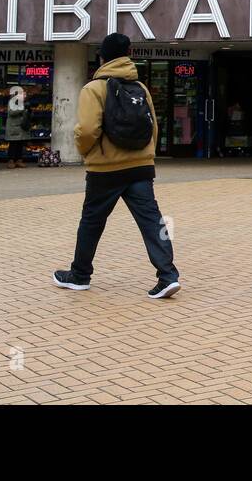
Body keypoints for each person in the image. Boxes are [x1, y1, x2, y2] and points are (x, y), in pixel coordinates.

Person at [52, 32, 181, 299]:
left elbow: (88, 129)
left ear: (101, 57)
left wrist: (88, 152)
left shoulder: (94, 88)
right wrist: (147, 156)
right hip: (141, 168)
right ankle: (168, 276)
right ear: (128, 54)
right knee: (151, 221)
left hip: (105, 170)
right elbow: (153, 126)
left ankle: (79, 275)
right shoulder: (141, 87)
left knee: (91, 222)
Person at [4, 84, 29, 169]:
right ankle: (11, 161)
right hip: (13, 127)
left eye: (25, 94)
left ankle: (19, 160)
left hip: (21, 127)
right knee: (13, 144)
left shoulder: (23, 102)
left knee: (20, 144)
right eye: (23, 94)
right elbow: (11, 112)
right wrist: (22, 108)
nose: (25, 96)